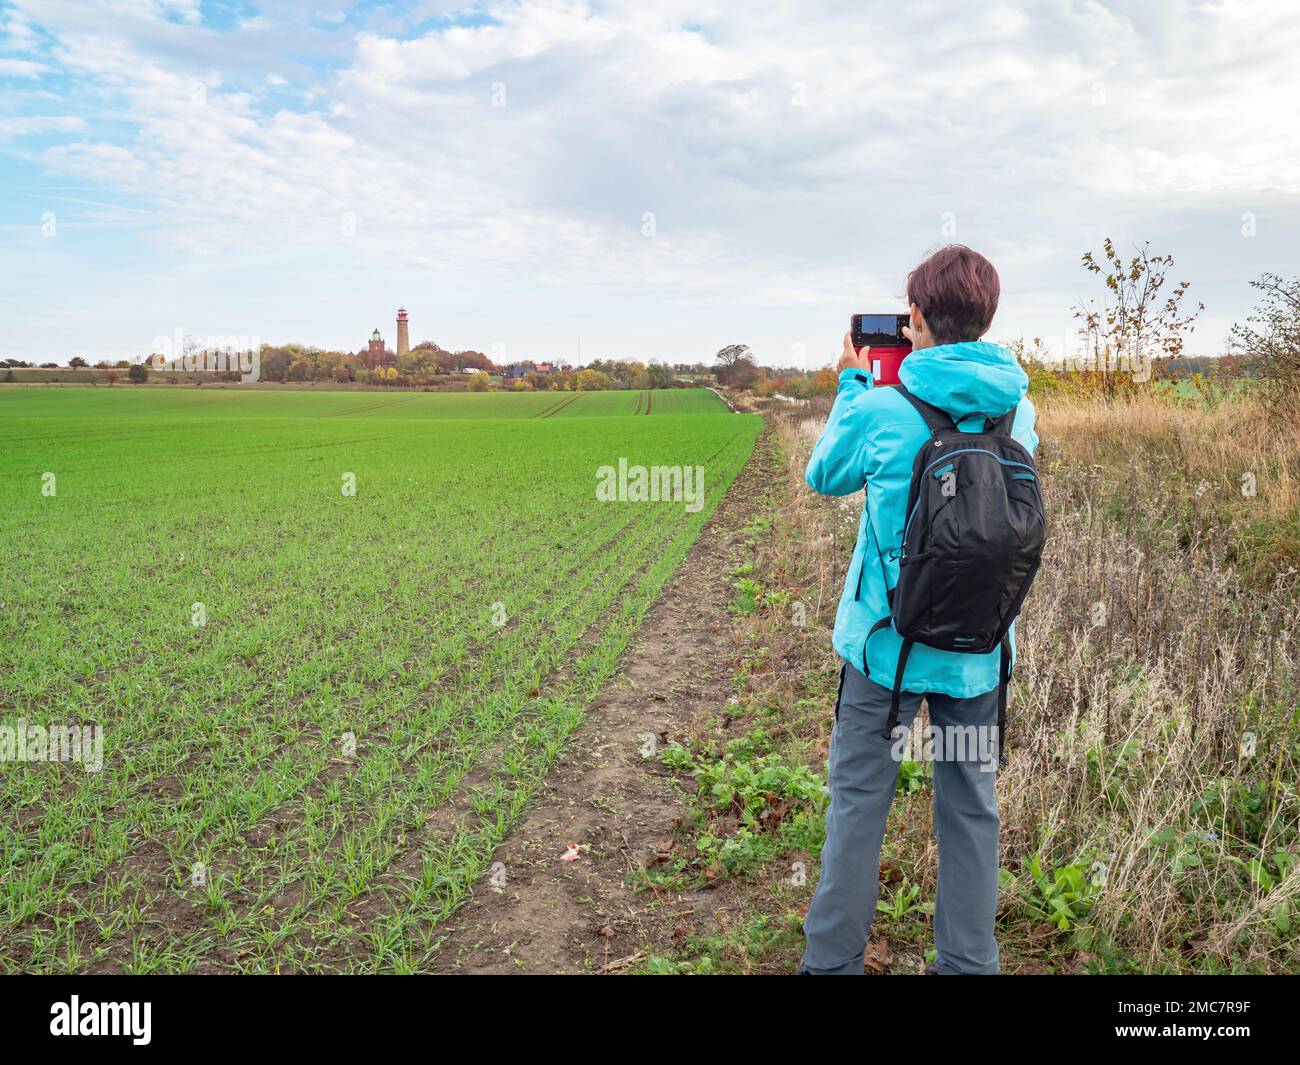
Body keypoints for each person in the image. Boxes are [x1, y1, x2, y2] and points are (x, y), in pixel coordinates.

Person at [801, 244, 1038, 975]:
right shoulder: (1018, 407)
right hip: (978, 653)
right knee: (970, 812)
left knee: (859, 808)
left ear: (915, 319)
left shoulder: (880, 406)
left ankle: (833, 963)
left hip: (885, 652)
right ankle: (968, 965)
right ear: (987, 316)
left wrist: (850, 379)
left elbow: (824, 475)